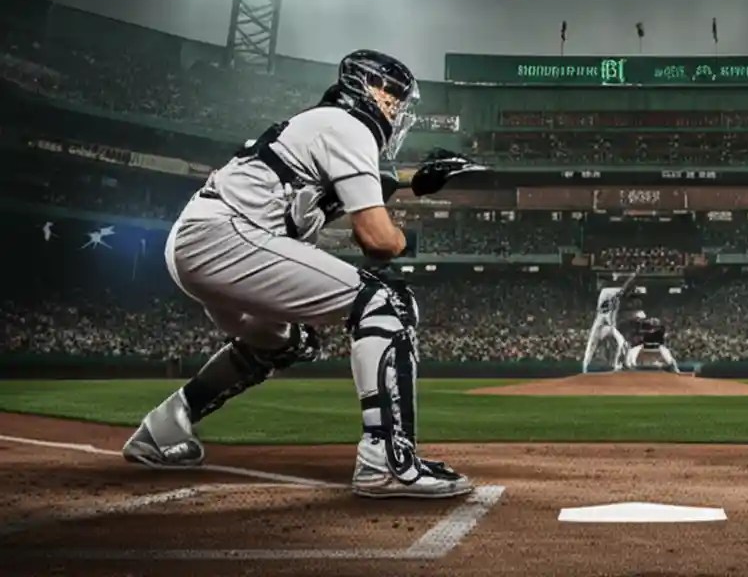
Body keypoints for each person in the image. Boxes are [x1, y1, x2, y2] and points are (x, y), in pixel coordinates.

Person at [121, 49, 489, 499]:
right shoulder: (350, 126)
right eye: (390, 93)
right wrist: (402, 240)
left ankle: (165, 424)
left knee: (287, 339)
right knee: (386, 301)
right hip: (226, 236)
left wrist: (417, 180)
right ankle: (387, 460)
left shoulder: (326, 126)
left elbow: (353, 186)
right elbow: (377, 240)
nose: (396, 107)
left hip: (205, 240)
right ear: (363, 87)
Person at [582, 271, 638, 372]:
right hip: (602, 322)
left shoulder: (609, 293)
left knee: (621, 342)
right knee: (592, 343)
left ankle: (617, 364)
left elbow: (623, 291)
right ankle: (585, 366)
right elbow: (623, 289)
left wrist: (628, 277)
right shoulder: (607, 291)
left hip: (608, 324)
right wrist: (630, 277)